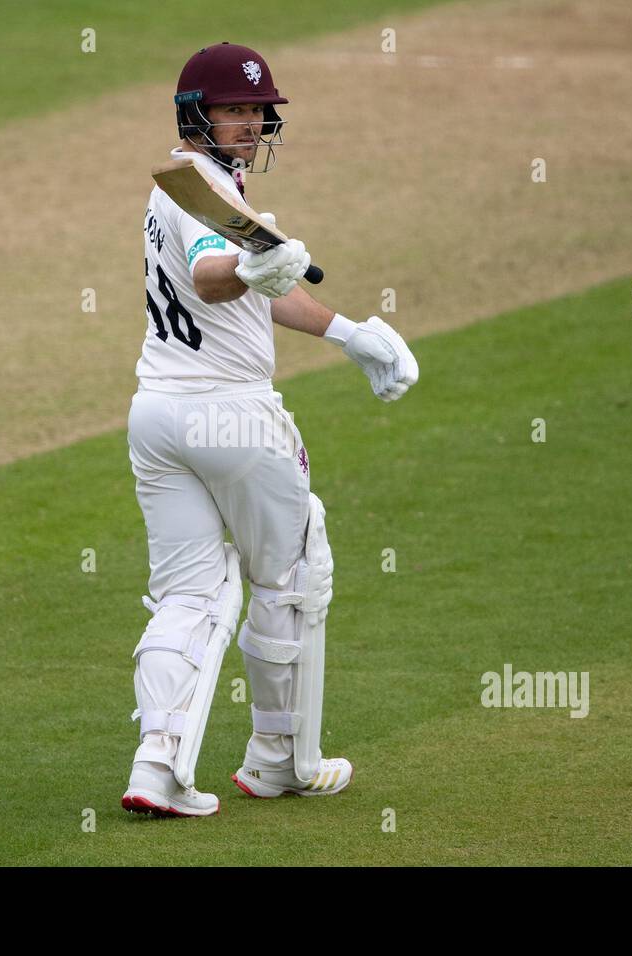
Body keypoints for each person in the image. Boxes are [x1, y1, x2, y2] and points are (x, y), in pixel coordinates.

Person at [122, 42, 419, 818]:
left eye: (258, 111)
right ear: (198, 115)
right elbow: (220, 278)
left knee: (187, 592)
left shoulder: (200, 192)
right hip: (232, 415)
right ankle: (281, 759)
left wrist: (351, 332)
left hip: (156, 414)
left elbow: (256, 285)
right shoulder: (199, 192)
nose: (251, 122)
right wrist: (253, 268)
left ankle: (156, 768)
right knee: (293, 570)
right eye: (236, 110)